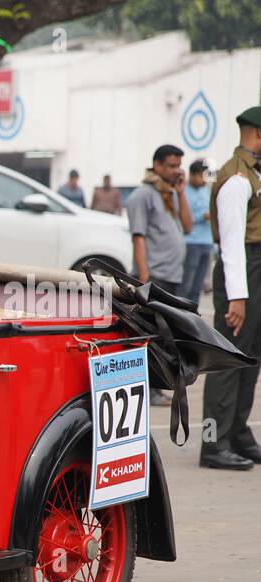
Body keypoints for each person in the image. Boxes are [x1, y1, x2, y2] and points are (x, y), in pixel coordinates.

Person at [200, 106, 261, 471]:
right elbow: (233, 243)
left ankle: (237, 431)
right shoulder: (236, 179)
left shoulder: (252, 174)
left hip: (255, 269)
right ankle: (212, 441)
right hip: (243, 270)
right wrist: (238, 295)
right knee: (227, 357)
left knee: (250, 356)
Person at [128, 145, 193, 406]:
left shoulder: (171, 194)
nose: (175, 170)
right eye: (170, 165)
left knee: (167, 336)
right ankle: (150, 389)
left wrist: (181, 193)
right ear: (156, 165)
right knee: (152, 336)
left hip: (173, 275)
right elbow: (138, 238)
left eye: (178, 165)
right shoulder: (142, 196)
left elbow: (187, 227)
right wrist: (145, 279)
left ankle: (157, 386)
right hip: (154, 277)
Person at [178, 160, 213, 306]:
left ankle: (193, 317)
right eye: (200, 176)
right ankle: (180, 315)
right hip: (191, 242)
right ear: (192, 175)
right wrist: (201, 216)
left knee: (198, 287)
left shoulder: (206, 190)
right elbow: (182, 217)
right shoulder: (183, 191)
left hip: (207, 243)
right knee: (186, 285)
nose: (204, 180)